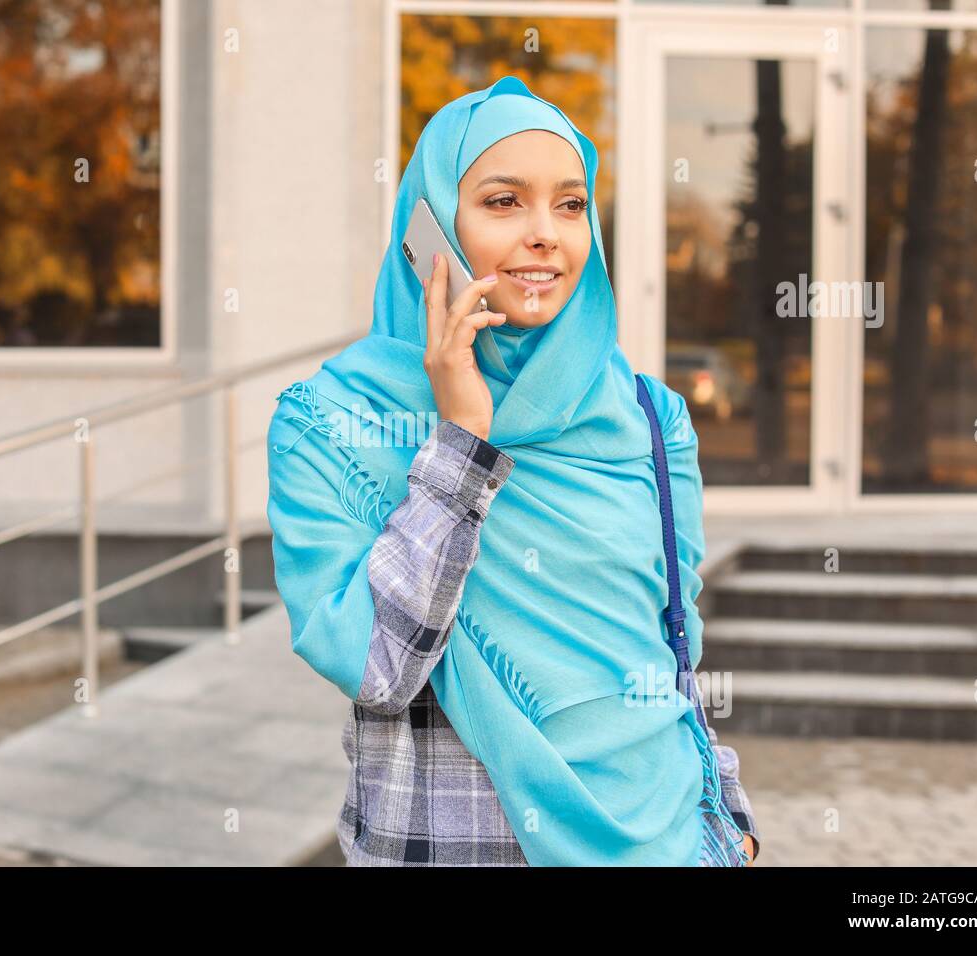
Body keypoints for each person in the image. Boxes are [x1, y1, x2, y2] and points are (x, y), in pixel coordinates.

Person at [266, 76, 761, 866]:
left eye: (570, 205)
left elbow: (672, 655)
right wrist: (462, 439)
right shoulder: (328, 423)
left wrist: (729, 827)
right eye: (504, 202)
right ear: (429, 229)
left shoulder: (650, 419)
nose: (546, 235)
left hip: (671, 841)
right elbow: (375, 667)